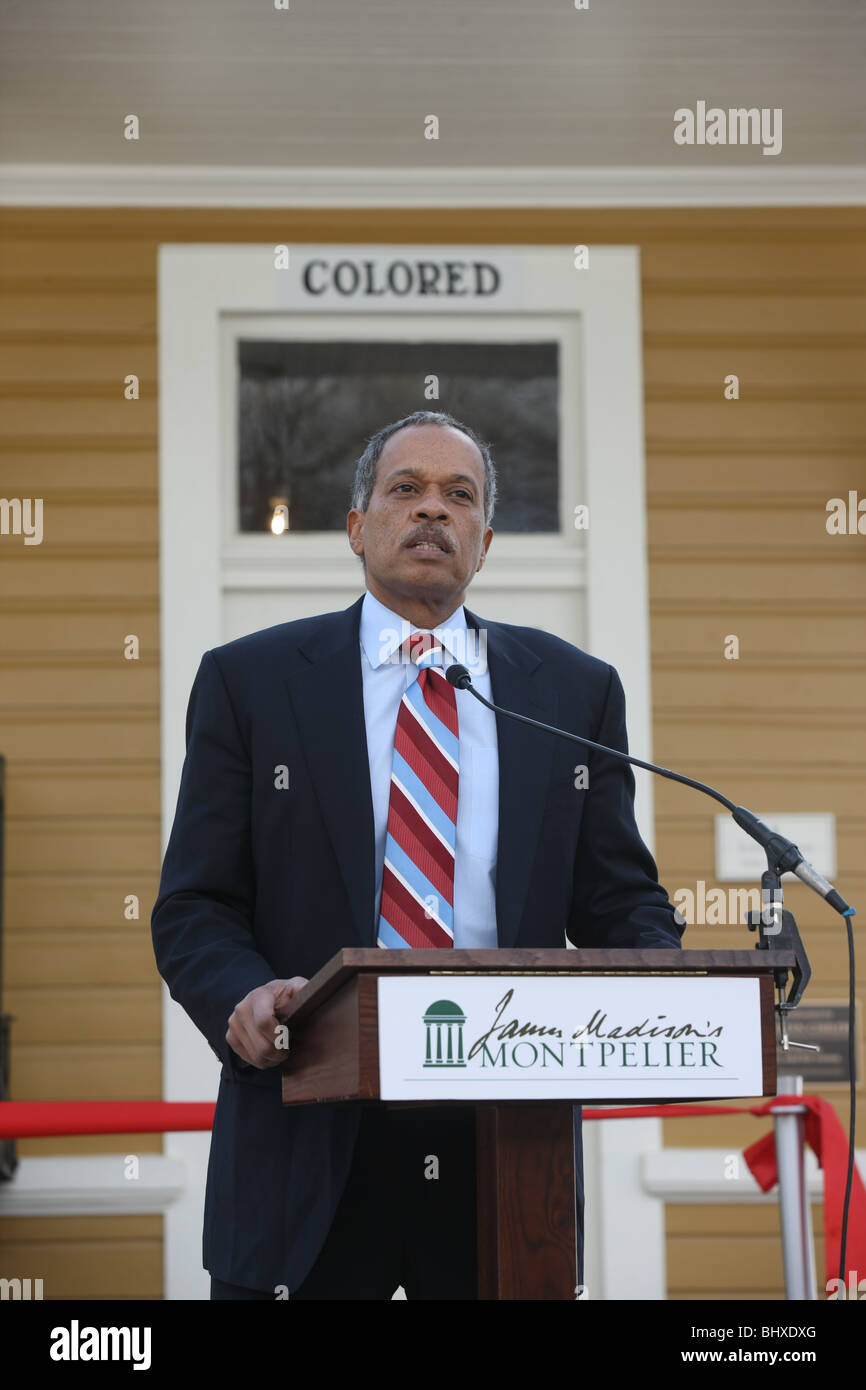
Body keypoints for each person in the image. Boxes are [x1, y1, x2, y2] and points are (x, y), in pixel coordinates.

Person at [151, 409, 683, 1300]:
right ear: (359, 528)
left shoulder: (573, 693)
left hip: (503, 1147)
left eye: (458, 496)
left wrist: (681, 990)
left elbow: (616, 900)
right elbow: (196, 906)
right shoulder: (250, 682)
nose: (432, 510)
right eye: (406, 490)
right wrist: (240, 998)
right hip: (305, 1130)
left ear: (484, 541)